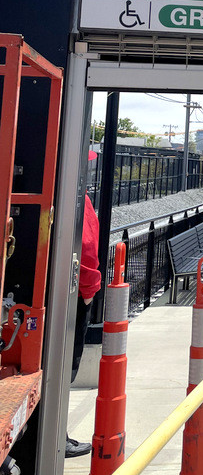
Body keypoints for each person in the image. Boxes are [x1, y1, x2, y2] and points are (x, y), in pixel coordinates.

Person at [66, 180, 102, 457]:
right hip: (73, 295)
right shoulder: (80, 199)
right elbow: (87, 248)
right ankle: (58, 434)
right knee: (67, 362)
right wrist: (89, 291)